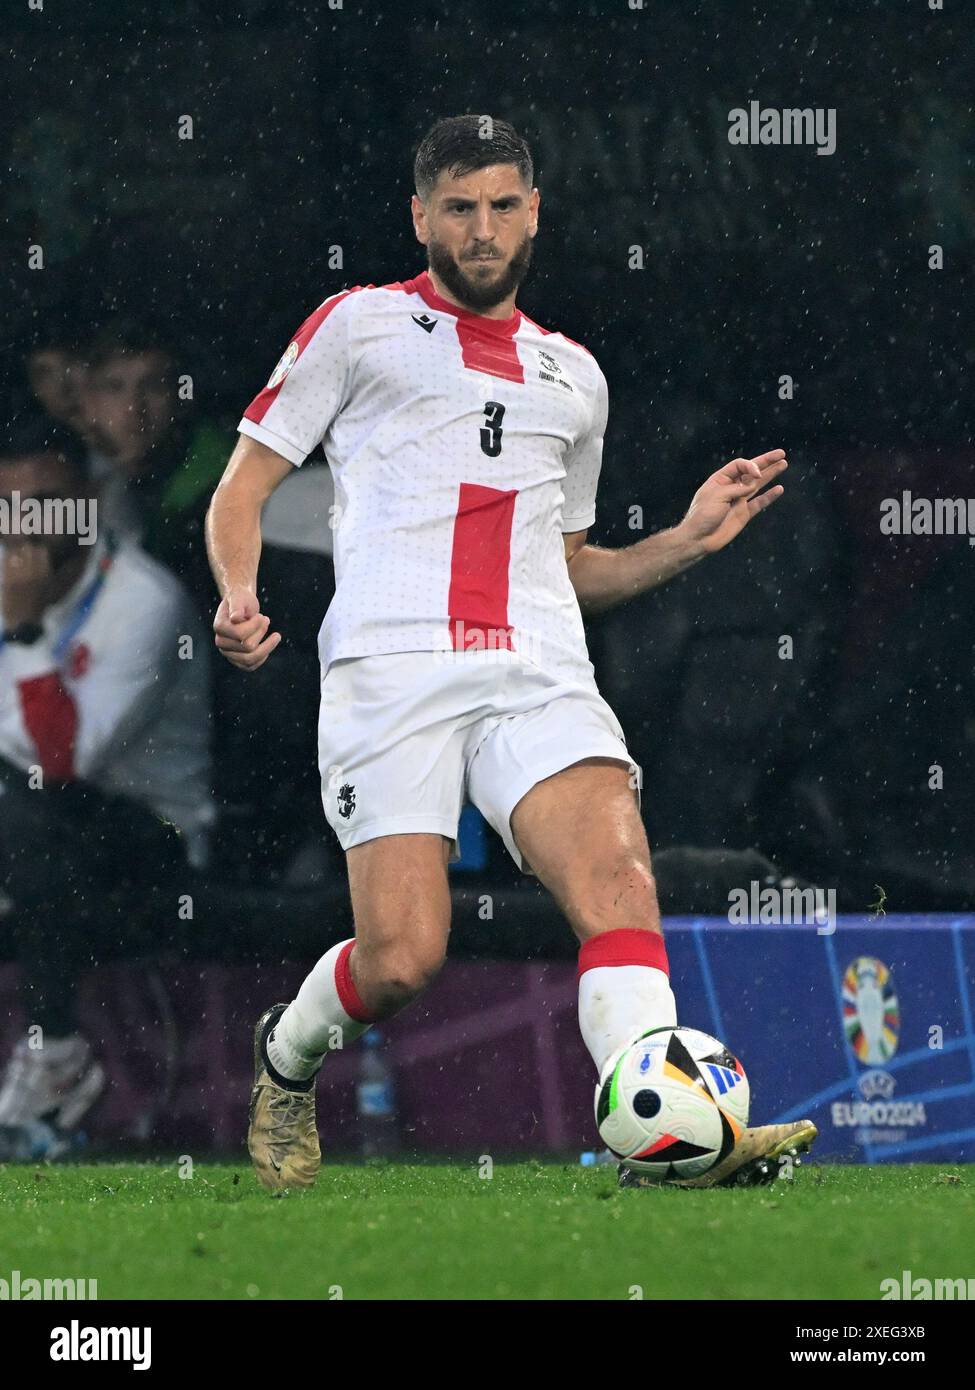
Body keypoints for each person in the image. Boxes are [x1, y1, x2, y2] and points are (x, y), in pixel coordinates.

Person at [205, 114, 816, 1192]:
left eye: (500, 206)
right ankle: (283, 1055)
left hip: (535, 666)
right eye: (457, 208)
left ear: (533, 212)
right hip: (391, 668)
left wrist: (682, 541)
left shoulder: (575, 376)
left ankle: (670, 1140)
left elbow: (567, 565)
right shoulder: (358, 325)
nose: (481, 231)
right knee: (402, 959)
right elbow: (243, 486)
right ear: (418, 216)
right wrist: (240, 592)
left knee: (620, 879)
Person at [0, 406, 214, 1158]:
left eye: (38, 510)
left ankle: (57, 1052)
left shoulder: (140, 600)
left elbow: (63, 763)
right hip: (35, 829)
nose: (20, 533)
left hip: (147, 841)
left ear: (82, 505)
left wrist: (23, 631)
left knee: (21, 809)